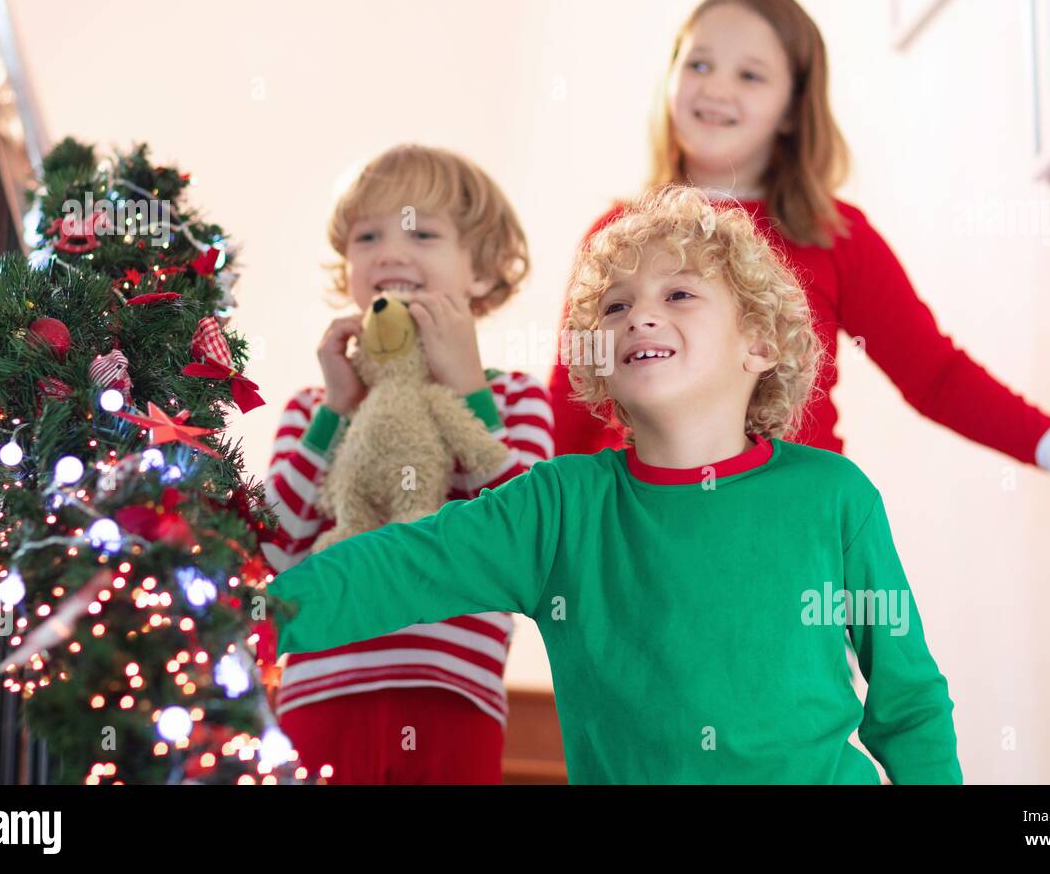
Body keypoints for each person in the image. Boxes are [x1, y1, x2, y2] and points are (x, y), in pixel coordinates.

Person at [268, 186, 962, 784]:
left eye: (679, 293)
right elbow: (401, 566)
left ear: (759, 344)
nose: (638, 316)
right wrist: (247, 618)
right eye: (614, 308)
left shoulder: (834, 495)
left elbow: (909, 701)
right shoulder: (559, 507)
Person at [547, 0, 1050, 495]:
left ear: (791, 108)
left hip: (791, 533)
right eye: (699, 65)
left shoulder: (835, 238)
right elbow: (575, 401)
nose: (717, 88)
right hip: (635, 535)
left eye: (750, 74)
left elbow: (935, 375)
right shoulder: (615, 239)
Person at [258, 144, 554, 783]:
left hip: (454, 696)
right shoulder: (313, 406)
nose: (390, 251)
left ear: (481, 272)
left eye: (422, 231)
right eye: (369, 236)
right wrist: (336, 408)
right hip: (317, 691)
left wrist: (468, 385)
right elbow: (273, 552)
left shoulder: (514, 395)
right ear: (348, 269)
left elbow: (527, 542)